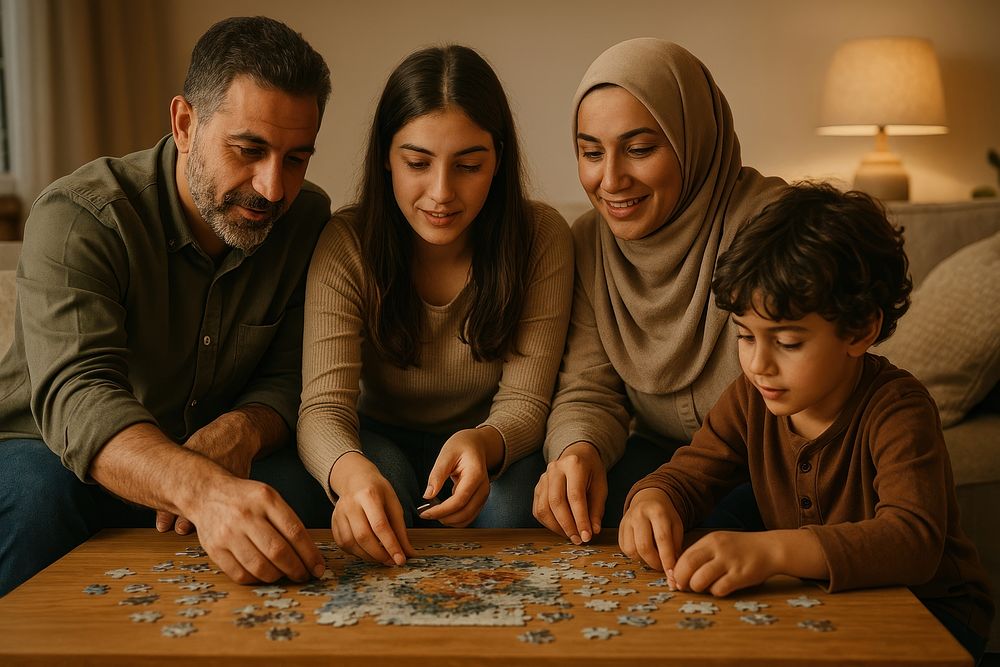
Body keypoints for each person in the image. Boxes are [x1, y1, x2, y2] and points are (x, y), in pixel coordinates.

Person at [0, 16, 334, 596]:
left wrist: (243, 429)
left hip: (212, 455)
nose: (273, 187)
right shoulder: (80, 216)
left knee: (305, 494)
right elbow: (80, 396)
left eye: (296, 158)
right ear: (184, 124)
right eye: (248, 150)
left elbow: (291, 376)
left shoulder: (304, 220)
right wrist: (201, 487)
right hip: (50, 452)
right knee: (36, 498)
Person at [619, 182, 994, 663]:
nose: (759, 364)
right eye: (745, 336)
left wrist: (773, 551)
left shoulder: (899, 408)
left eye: (788, 342)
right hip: (824, 603)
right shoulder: (752, 397)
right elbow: (691, 472)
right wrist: (654, 498)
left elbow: (912, 540)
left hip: (933, 611)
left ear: (860, 330)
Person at [297, 45, 573, 567]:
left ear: (499, 159)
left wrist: (484, 442)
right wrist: (350, 473)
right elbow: (322, 408)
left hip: (490, 433)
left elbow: (527, 404)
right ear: (385, 156)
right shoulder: (347, 241)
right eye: (418, 163)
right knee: (383, 497)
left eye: (469, 165)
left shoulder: (541, 237)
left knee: (511, 505)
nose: (441, 193)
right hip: (376, 434)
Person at [534, 38, 785, 545]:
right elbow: (589, 387)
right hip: (659, 461)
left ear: (692, 138)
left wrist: (681, 488)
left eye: (640, 149)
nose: (610, 180)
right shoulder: (587, 242)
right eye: (590, 152)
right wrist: (576, 450)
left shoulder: (773, 224)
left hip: (773, 459)